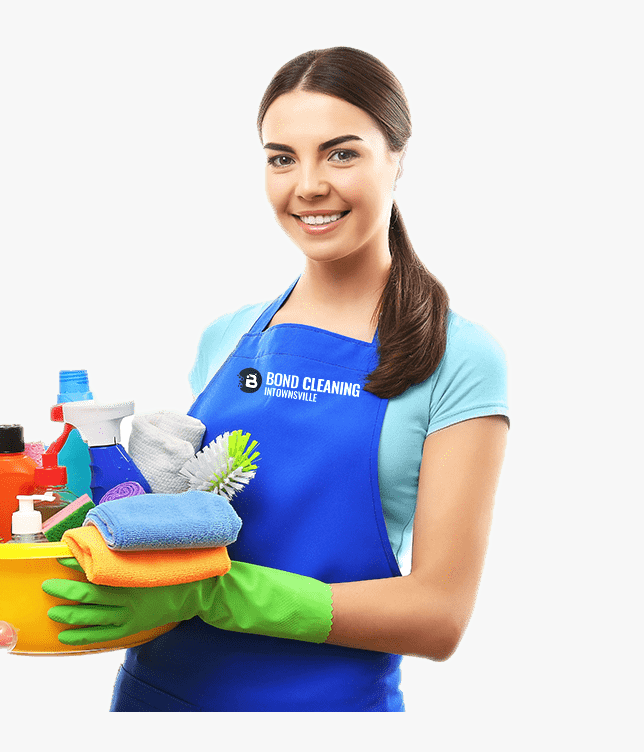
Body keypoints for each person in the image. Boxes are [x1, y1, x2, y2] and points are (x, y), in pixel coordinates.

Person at [42, 47, 509, 712]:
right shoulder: (226, 337)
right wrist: (6, 559)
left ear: (398, 158)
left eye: (341, 154)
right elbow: (172, 518)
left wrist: (214, 595)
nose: (308, 185)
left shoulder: (457, 357)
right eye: (282, 158)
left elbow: (438, 616)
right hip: (158, 700)